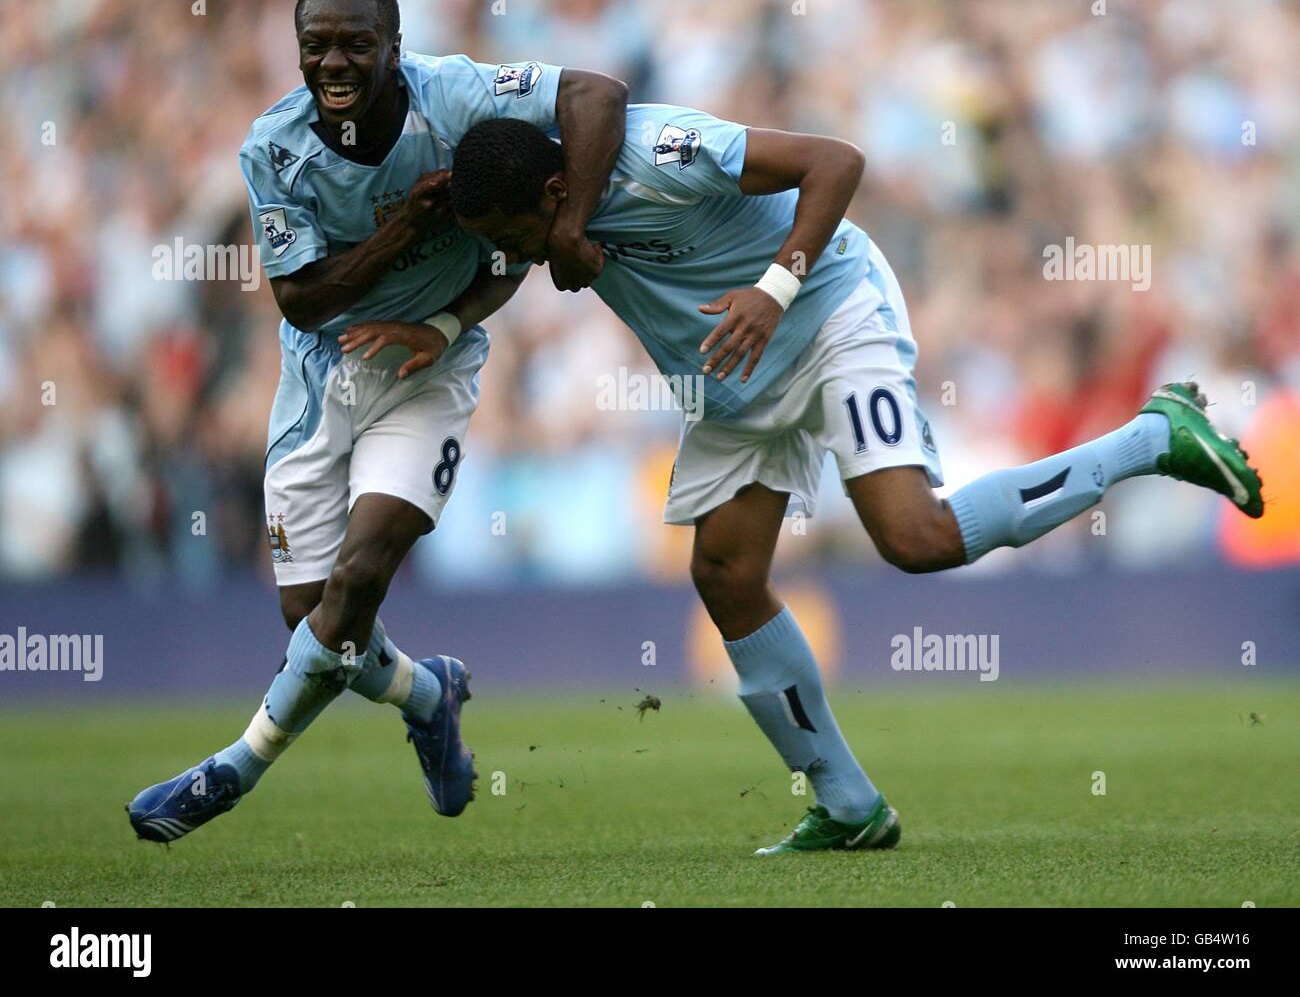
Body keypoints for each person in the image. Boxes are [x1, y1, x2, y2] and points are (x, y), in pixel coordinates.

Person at [338, 107, 1264, 855]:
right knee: (726, 576)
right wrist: (452, 326)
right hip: (734, 372)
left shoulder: (663, 153)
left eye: (523, 233)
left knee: (917, 536)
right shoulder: (540, 218)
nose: (528, 256)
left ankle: (1150, 437)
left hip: (825, 314)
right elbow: (508, 263)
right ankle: (848, 803)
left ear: (556, 189)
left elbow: (836, 158)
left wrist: (776, 285)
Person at [125, 0, 628, 843]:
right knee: (314, 618)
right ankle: (428, 693)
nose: (335, 60)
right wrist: (403, 227)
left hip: (428, 366)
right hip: (321, 371)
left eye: (357, 42)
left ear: (395, 47)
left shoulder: (454, 93)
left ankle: (230, 770)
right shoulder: (273, 148)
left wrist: (571, 226)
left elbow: (595, 91)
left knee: (357, 582)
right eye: (316, 43)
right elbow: (304, 301)